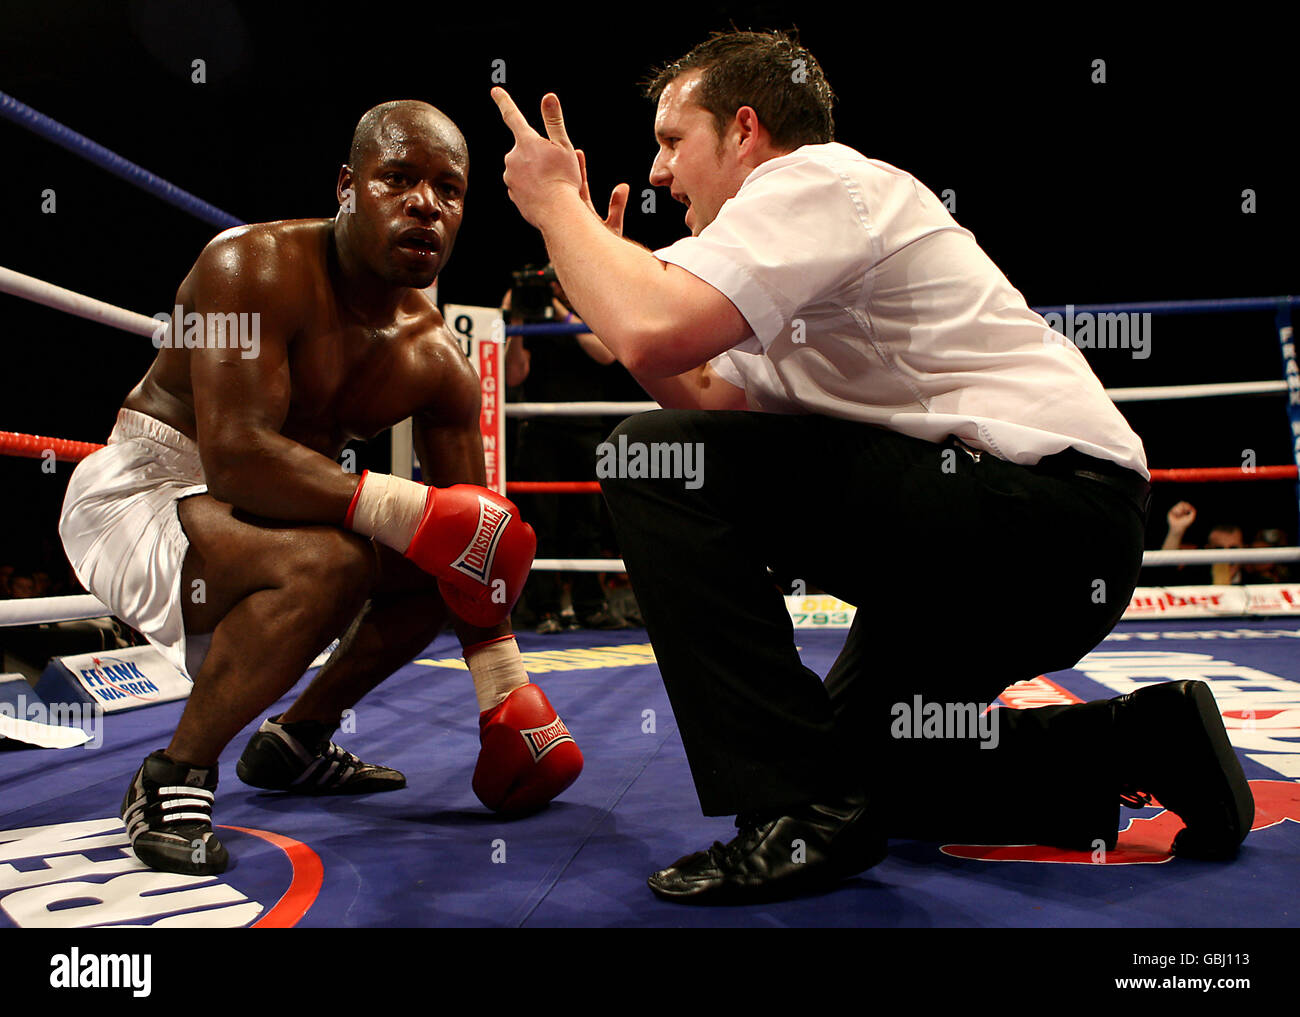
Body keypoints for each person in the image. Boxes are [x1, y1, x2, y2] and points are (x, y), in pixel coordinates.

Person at [491, 30, 1253, 904]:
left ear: (745, 130)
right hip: (1027, 535)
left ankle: (798, 813)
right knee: (870, 768)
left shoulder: (813, 181)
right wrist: (592, 260)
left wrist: (560, 210)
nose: (660, 172)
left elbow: (656, 331)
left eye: (672, 140)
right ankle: (1146, 743)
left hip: (1038, 513)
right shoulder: (788, 262)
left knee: (646, 460)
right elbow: (706, 394)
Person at [58, 100, 582, 878]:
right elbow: (235, 456)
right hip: (147, 488)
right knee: (331, 562)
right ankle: (174, 773)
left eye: (448, 189)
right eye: (397, 178)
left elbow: (474, 549)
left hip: (273, 508)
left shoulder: (438, 360)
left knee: (432, 563)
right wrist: (410, 511)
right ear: (347, 185)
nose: (424, 204)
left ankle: (296, 740)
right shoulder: (249, 265)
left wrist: (504, 692)